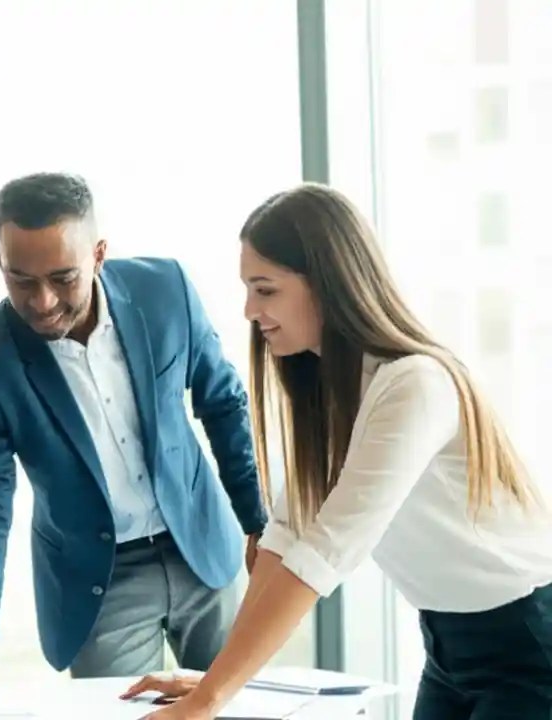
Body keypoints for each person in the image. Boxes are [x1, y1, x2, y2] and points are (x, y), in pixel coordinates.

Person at [121, 183, 552, 719]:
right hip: (448, 647)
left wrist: (211, 699)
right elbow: (285, 538)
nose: (250, 309)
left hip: (529, 644)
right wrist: (217, 681)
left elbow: (325, 554)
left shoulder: (414, 384)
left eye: (266, 289)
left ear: (327, 283)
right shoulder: (332, 392)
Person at [0, 172, 267, 700]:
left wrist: (259, 523)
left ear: (99, 253)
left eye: (63, 277)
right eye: (20, 279)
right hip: (100, 580)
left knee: (238, 707)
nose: (42, 301)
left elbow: (222, 404)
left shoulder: (165, 290)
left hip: (202, 549)